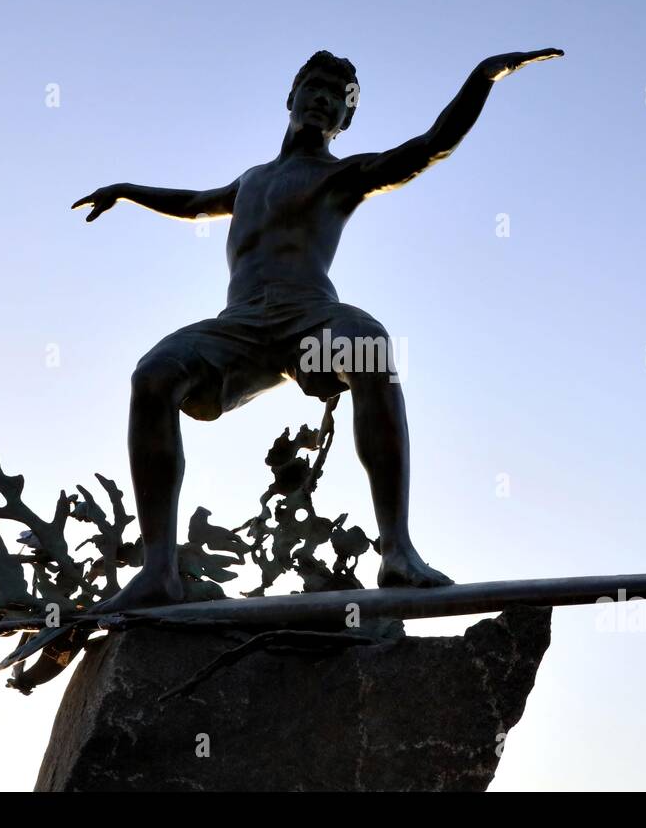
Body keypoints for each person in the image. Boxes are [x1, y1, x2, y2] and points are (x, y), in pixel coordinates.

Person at [73, 47, 563, 609]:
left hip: (309, 315)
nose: (324, 100)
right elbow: (190, 202)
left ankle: (397, 551)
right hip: (239, 327)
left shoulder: (345, 175)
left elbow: (432, 146)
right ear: (292, 98)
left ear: (344, 121)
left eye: (338, 98)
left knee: (369, 347)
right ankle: (158, 570)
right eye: (315, 88)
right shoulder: (249, 182)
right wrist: (127, 190)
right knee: (153, 375)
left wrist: (483, 76)